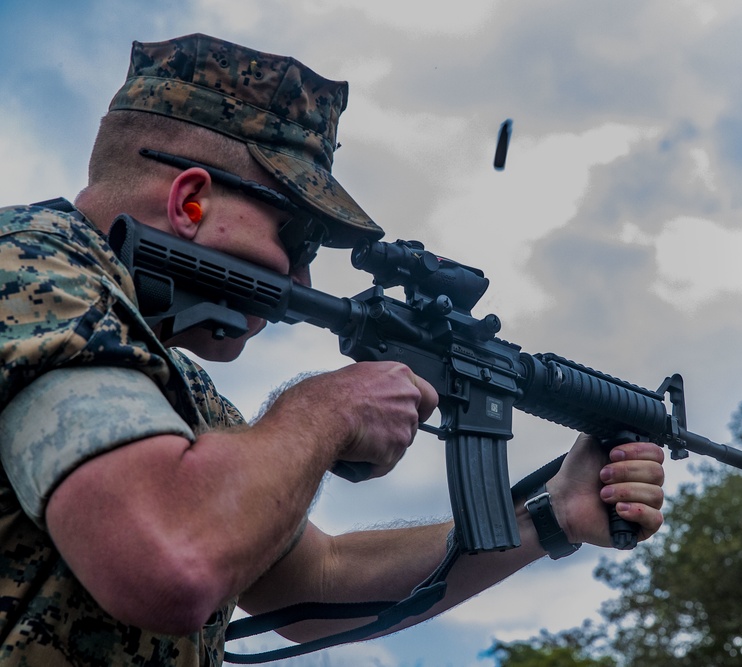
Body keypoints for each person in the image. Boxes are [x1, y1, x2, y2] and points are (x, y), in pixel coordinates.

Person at [0, 33, 665, 666]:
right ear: (191, 201)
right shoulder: (33, 272)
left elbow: (318, 580)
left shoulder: (170, 381)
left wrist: (553, 512)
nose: (303, 281)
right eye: (300, 240)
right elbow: (173, 562)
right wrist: (321, 412)